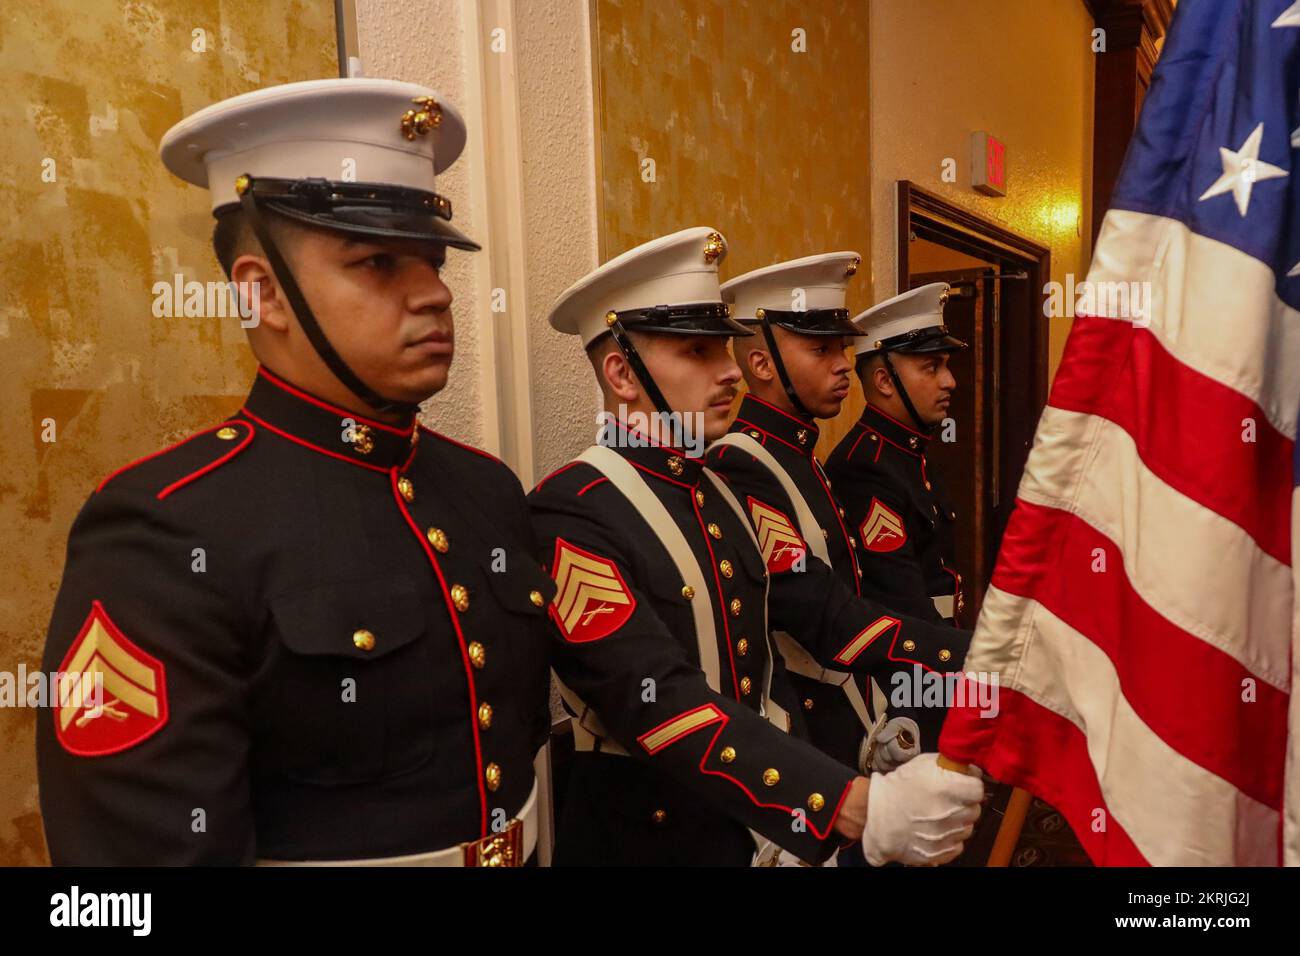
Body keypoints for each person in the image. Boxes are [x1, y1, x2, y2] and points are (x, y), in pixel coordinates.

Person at [36, 78, 553, 866]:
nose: (436, 295)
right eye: (378, 263)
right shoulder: (165, 528)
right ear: (263, 294)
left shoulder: (484, 490)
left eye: (433, 261)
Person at [528, 228, 984, 866]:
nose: (731, 372)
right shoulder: (572, 508)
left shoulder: (712, 485)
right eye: (698, 352)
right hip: (655, 839)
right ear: (622, 373)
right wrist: (842, 800)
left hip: (753, 823)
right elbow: (656, 696)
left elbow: (795, 643)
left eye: (727, 350)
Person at [706, 255, 971, 784]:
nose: (844, 363)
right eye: (822, 349)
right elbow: (819, 613)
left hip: (855, 709)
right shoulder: (742, 461)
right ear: (761, 365)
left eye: (843, 348)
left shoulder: (800, 456)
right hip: (809, 724)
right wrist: (972, 655)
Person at [825, 283, 969, 750]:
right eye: (932, 366)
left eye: (945, 365)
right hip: (911, 680)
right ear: (885, 382)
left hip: (937, 662)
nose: (950, 381)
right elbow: (899, 602)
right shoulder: (867, 467)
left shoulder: (908, 452)